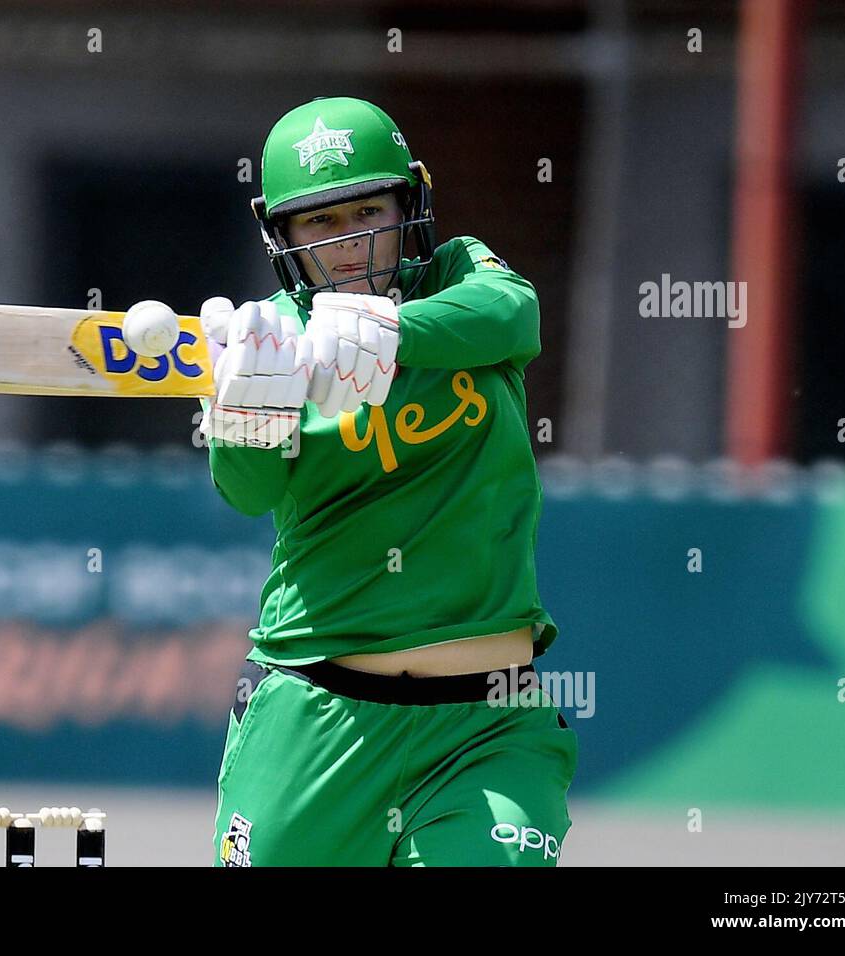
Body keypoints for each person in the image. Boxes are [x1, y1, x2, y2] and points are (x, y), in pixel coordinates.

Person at [199, 96, 577, 867]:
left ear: (410, 202)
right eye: (320, 223)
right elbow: (248, 493)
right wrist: (240, 412)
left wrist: (393, 331)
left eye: (369, 208)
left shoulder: (458, 278)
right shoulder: (269, 340)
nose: (349, 243)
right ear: (281, 233)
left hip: (487, 725)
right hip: (318, 712)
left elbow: (516, 313)